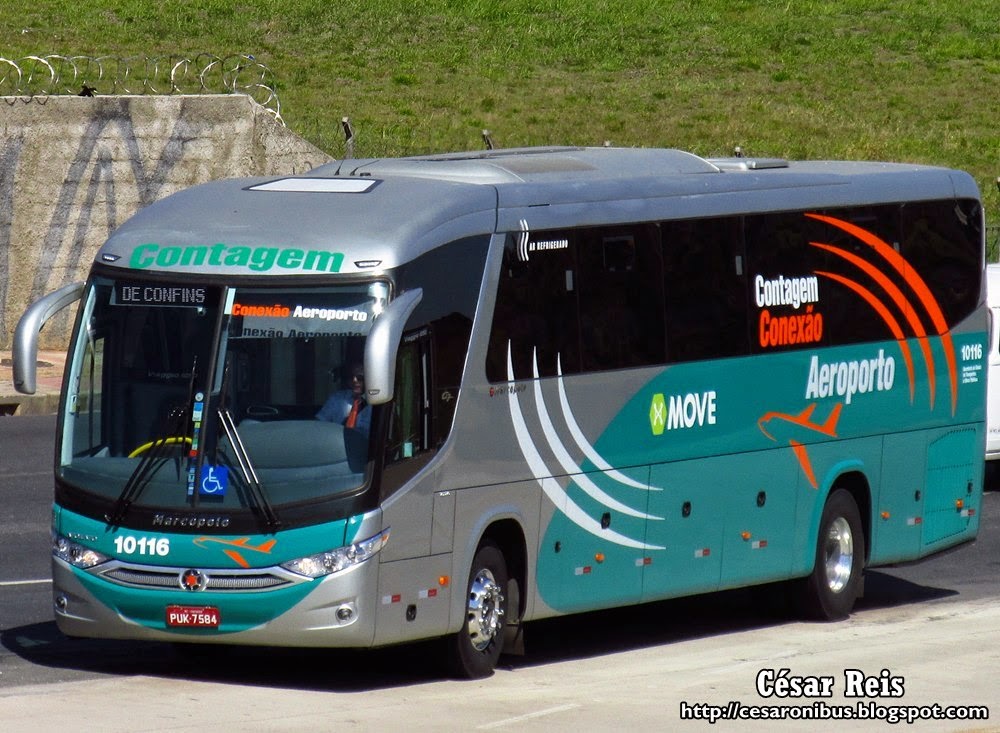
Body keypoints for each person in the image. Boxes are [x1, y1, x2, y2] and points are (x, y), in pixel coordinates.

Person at [316, 363, 371, 435]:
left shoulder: (378, 403)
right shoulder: (337, 398)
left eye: (360, 378)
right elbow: (319, 425)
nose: (354, 380)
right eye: (351, 377)